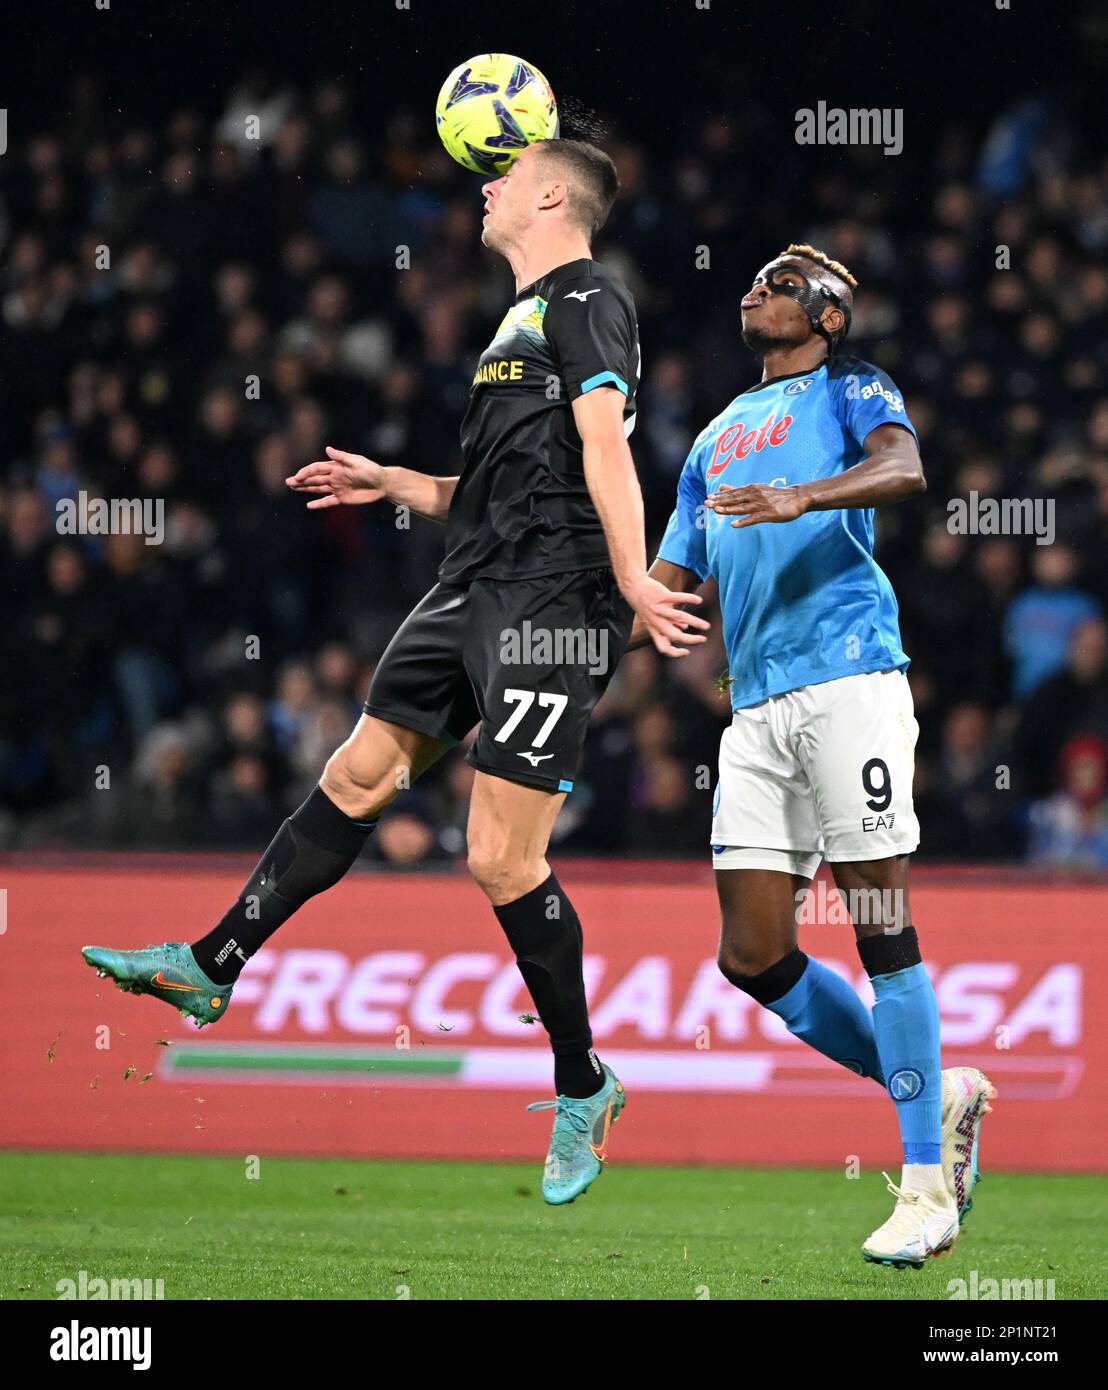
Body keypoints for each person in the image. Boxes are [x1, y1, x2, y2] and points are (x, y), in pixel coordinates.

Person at [83, 139, 708, 1207]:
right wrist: (397, 481)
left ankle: (582, 1083)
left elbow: (607, 450)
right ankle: (213, 964)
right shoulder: (514, 322)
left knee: (501, 860)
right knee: (358, 773)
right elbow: (507, 485)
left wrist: (633, 580)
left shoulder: (591, 296)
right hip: (469, 584)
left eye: (505, 176)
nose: (485, 185)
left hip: (553, 602)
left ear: (553, 194)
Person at [638, 243, 994, 1267]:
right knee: (750, 954)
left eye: (783, 282)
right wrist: (545, 641)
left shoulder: (853, 387)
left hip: (848, 681)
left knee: (879, 922)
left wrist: (806, 498)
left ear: (830, 315)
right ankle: (941, 1088)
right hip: (753, 709)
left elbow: (906, 468)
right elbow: (670, 590)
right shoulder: (709, 440)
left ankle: (927, 1186)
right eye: (753, 279)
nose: (757, 288)